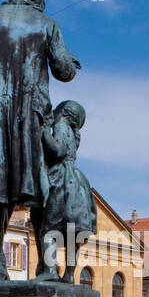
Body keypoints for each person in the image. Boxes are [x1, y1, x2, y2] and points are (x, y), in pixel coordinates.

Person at [0, 0, 80, 279]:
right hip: (29, 115)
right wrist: (72, 63)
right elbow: (64, 71)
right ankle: (45, 265)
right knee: (36, 187)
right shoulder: (47, 24)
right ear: (37, 6)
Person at [34, 100, 97, 283]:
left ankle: (50, 270)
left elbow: (58, 151)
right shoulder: (74, 134)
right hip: (77, 183)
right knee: (73, 234)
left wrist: (45, 132)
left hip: (60, 178)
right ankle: (69, 275)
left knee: (48, 229)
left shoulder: (60, 126)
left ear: (64, 112)